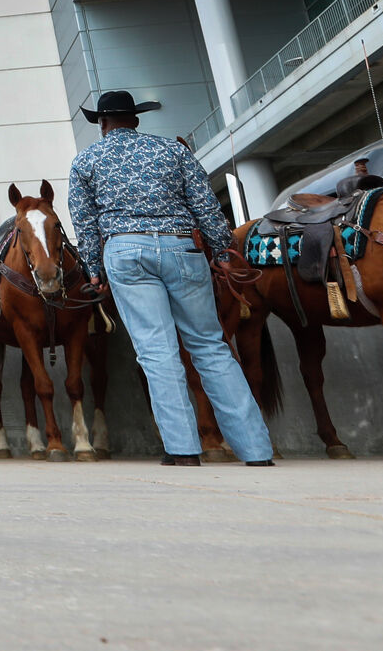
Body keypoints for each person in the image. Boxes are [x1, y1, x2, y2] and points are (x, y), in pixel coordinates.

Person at [69, 90, 275, 467]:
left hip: (126, 252)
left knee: (156, 352)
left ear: (102, 124)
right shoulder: (173, 151)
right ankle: (257, 451)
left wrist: (94, 271)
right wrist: (224, 252)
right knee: (211, 347)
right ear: (136, 120)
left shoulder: (85, 161)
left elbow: (85, 224)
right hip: (183, 249)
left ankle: (183, 451)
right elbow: (205, 206)